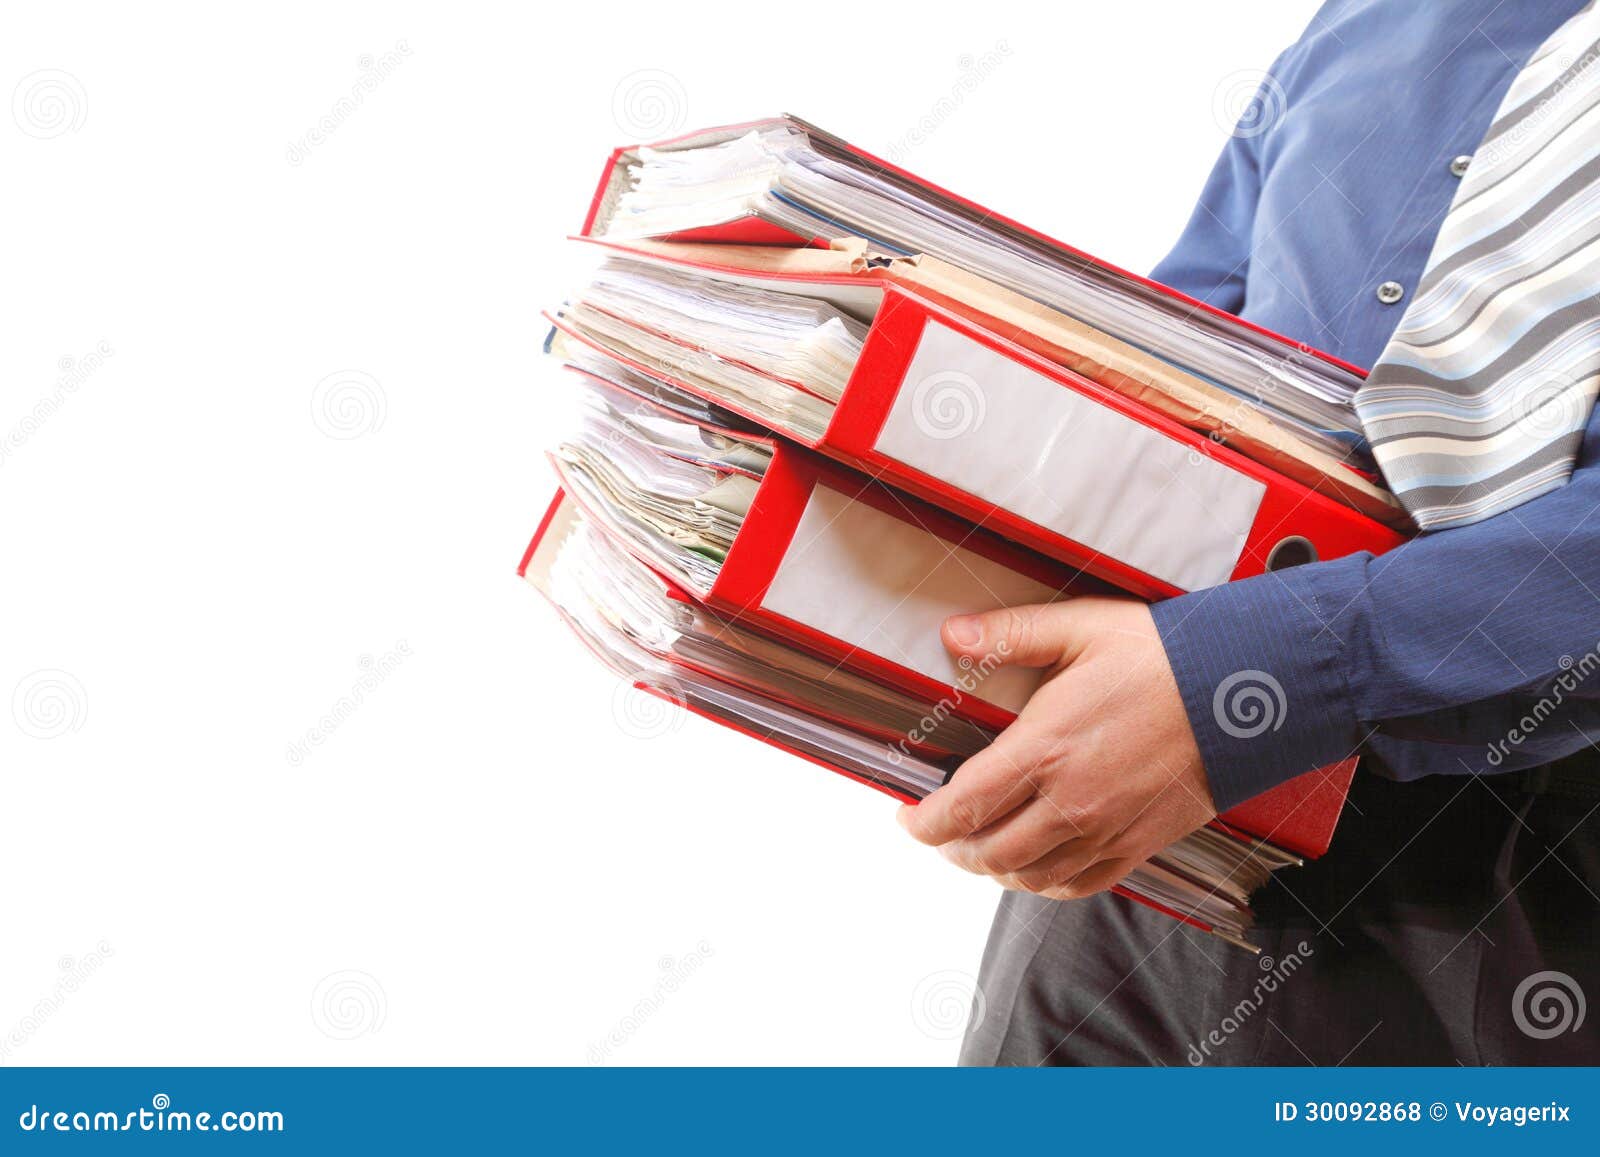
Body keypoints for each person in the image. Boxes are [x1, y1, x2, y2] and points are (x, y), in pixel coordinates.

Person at [897, 0, 1600, 1065]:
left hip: (1517, 898)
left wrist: (1270, 674)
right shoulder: (1370, 20)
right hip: (1140, 847)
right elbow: (1182, 354)